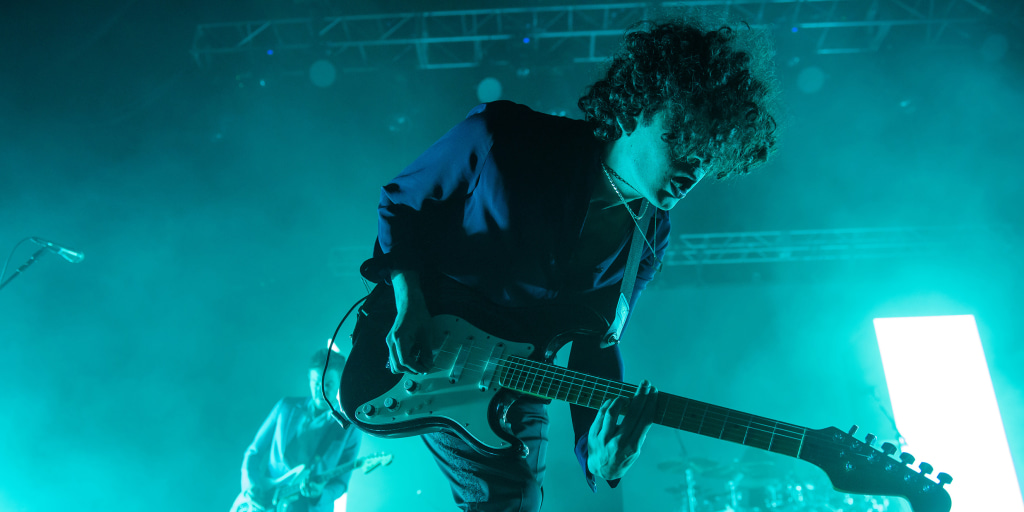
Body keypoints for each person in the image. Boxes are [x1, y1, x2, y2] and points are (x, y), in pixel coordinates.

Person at [355, 16, 780, 512]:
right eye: (680, 139)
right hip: (426, 333)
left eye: (708, 153)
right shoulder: (502, 136)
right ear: (634, 112)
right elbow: (401, 203)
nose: (695, 168)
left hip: (520, 378)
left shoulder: (651, 236)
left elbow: (597, 343)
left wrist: (595, 453)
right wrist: (411, 304)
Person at [237, 349, 362, 512]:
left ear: (341, 382)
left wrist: (319, 494)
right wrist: (251, 486)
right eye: (316, 382)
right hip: (267, 500)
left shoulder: (349, 427)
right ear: (309, 378)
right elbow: (254, 452)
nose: (321, 389)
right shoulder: (285, 407)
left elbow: (341, 483)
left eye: (328, 384)